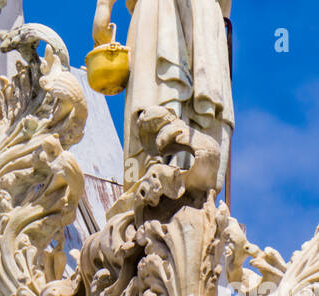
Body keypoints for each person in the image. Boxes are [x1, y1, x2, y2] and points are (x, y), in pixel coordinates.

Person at [93, 0, 234, 192]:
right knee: (156, 100)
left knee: (204, 115)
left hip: (204, 18)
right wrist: (104, 6)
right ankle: (153, 182)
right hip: (158, 13)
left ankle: (193, 185)